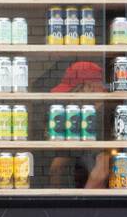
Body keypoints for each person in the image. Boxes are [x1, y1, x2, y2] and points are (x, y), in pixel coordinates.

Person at [47, 60, 110, 190]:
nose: (69, 100)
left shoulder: (104, 117)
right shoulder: (86, 117)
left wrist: (82, 202)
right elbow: (57, 166)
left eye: (71, 92)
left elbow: (100, 173)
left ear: (88, 87)